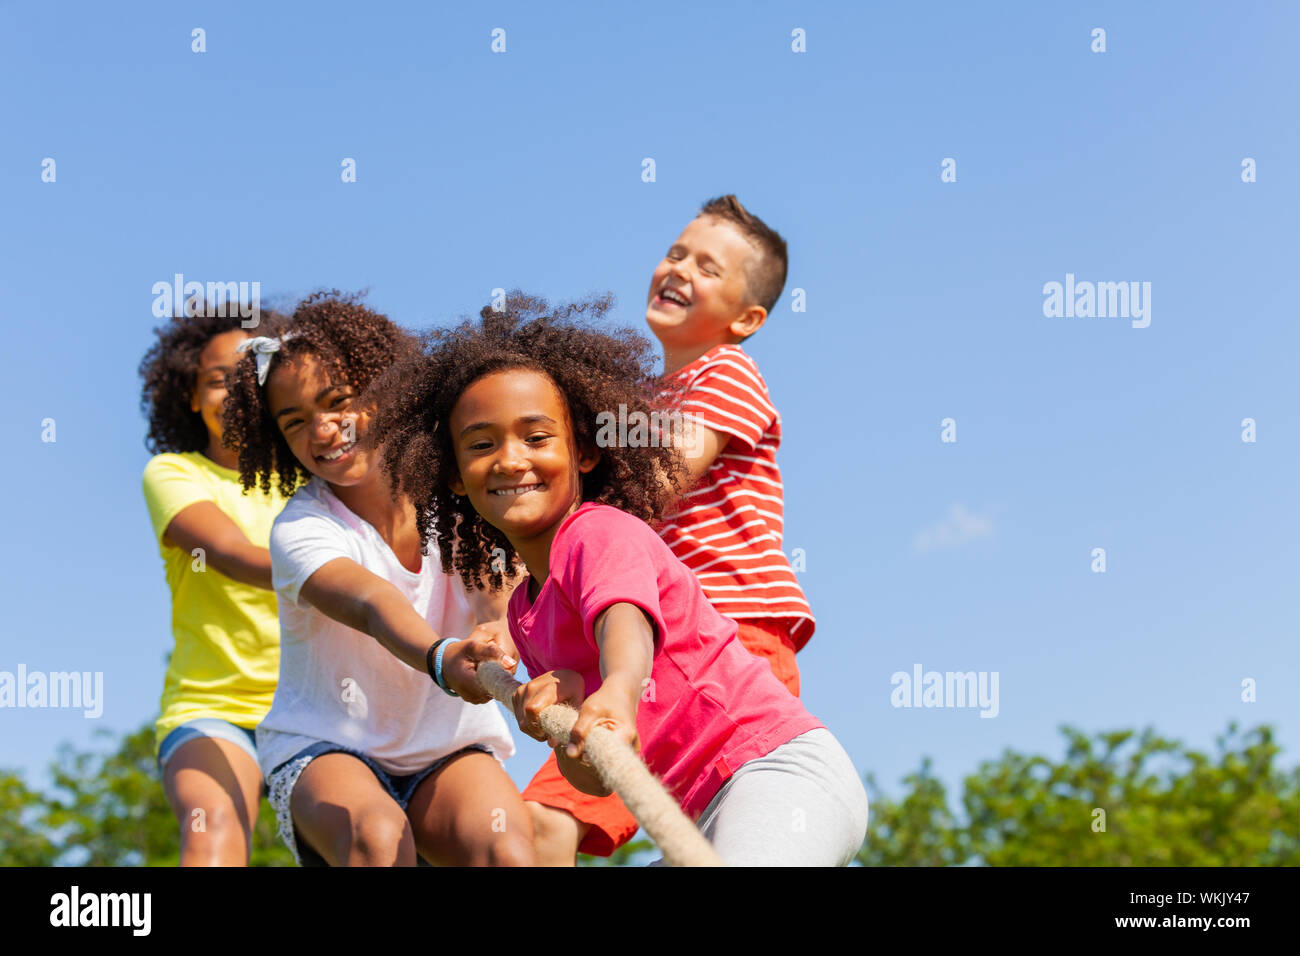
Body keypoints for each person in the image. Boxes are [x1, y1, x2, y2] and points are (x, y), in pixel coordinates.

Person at [369, 294, 867, 865]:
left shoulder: (599, 532)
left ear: (583, 451)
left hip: (774, 773)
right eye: (482, 445)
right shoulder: (525, 613)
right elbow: (598, 783)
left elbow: (622, 619)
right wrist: (568, 729)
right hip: (702, 815)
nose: (510, 459)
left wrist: (619, 689)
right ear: (455, 477)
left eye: (536, 437)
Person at [528, 195, 815, 862]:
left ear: (747, 318)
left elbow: (651, 487)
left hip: (725, 637)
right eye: (677, 253)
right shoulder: (642, 403)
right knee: (549, 825)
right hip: (653, 643)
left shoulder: (725, 373)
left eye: (709, 267)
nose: (681, 268)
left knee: (546, 824)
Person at [220, 292, 533, 866]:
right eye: (295, 422)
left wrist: (495, 626)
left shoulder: (453, 493)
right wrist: (441, 656)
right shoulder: (301, 527)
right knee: (379, 835)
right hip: (328, 748)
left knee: (510, 848)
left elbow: (495, 572)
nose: (323, 430)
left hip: (446, 745)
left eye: (338, 401)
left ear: (387, 392)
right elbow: (370, 601)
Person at [139, 307, 286, 865]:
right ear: (192, 397)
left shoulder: (316, 483)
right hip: (212, 708)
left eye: (253, 378)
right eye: (219, 380)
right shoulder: (175, 474)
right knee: (214, 828)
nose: (238, 392)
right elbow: (227, 554)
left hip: (321, 709)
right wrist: (346, 578)